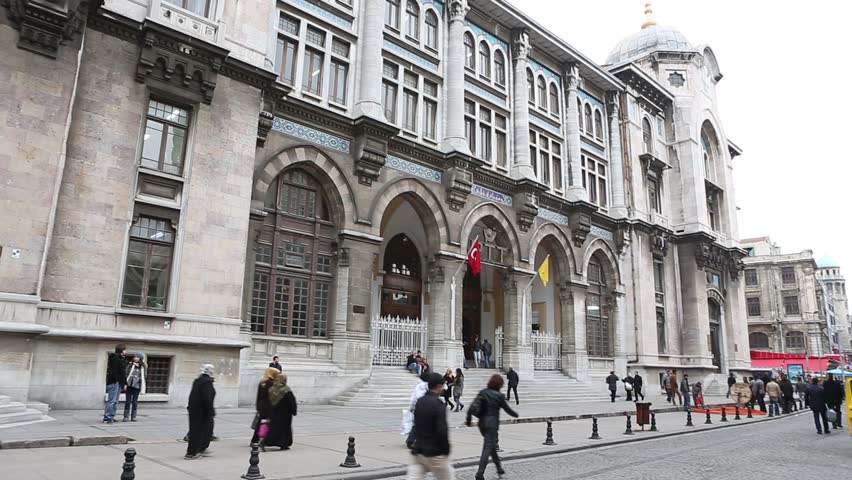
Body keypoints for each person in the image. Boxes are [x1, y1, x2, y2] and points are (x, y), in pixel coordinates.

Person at [466, 374, 519, 480]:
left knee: (491, 446)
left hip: (482, 424)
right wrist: (516, 414)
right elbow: (507, 409)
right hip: (492, 424)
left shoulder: (483, 392)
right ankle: (479, 474)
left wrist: (468, 420)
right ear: (500, 385)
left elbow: (472, 407)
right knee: (487, 447)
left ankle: (499, 468)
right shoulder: (499, 396)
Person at [408, 373, 454, 480]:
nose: (443, 389)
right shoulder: (438, 405)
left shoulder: (420, 402)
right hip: (435, 453)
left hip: (419, 451)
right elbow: (442, 430)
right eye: (442, 386)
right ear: (438, 386)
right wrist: (446, 450)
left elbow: (416, 425)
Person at [185, 364, 216, 459]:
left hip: (194, 410)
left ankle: (198, 450)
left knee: (197, 431)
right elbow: (207, 398)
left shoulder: (198, 380)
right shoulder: (207, 382)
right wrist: (210, 410)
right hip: (202, 411)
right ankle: (193, 452)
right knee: (200, 431)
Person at [264, 373, 297, 450]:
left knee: (273, 428)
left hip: (274, 412)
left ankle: (266, 441)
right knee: (285, 429)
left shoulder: (271, 389)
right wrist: (294, 411)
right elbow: (291, 402)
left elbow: (267, 401)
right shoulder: (286, 390)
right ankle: (283, 444)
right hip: (285, 414)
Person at [252, 367, 279, 449]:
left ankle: (255, 440)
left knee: (260, 423)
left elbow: (259, 396)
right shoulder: (271, 383)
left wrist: (258, 406)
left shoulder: (262, 382)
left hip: (262, 406)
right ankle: (263, 440)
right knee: (267, 423)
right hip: (268, 406)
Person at [406, 371, 431, 449]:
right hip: (425, 407)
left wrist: (412, 407)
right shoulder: (428, 386)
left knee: (416, 425)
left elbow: (413, 397)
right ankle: (413, 440)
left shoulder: (419, 386)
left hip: (417, 407)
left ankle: (413, 440)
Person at [103, 344, 127, 424]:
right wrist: (117, 380)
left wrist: (124, 383)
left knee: (115, 401)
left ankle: (111, 416)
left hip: (119, 382)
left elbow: (123, 372)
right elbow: (115, 371)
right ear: (121, 350)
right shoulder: (115, 358)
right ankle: (107, 418)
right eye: (125, 350)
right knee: (112, 400)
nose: (126, 351)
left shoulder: (121, 358)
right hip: (114, 382)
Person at [122, 353, 145, 422]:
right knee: (127, 401)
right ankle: (126, 416)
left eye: (137, 357)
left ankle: (133, 416)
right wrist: (125, 384)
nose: (135, 358)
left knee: (135, 401)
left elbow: (144, 376)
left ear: (140, 358)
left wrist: (138, 379)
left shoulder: (143, 366)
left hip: (137, 386)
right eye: (135, 357)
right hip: (129, 385)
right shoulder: (130, 365)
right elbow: (126, 374)